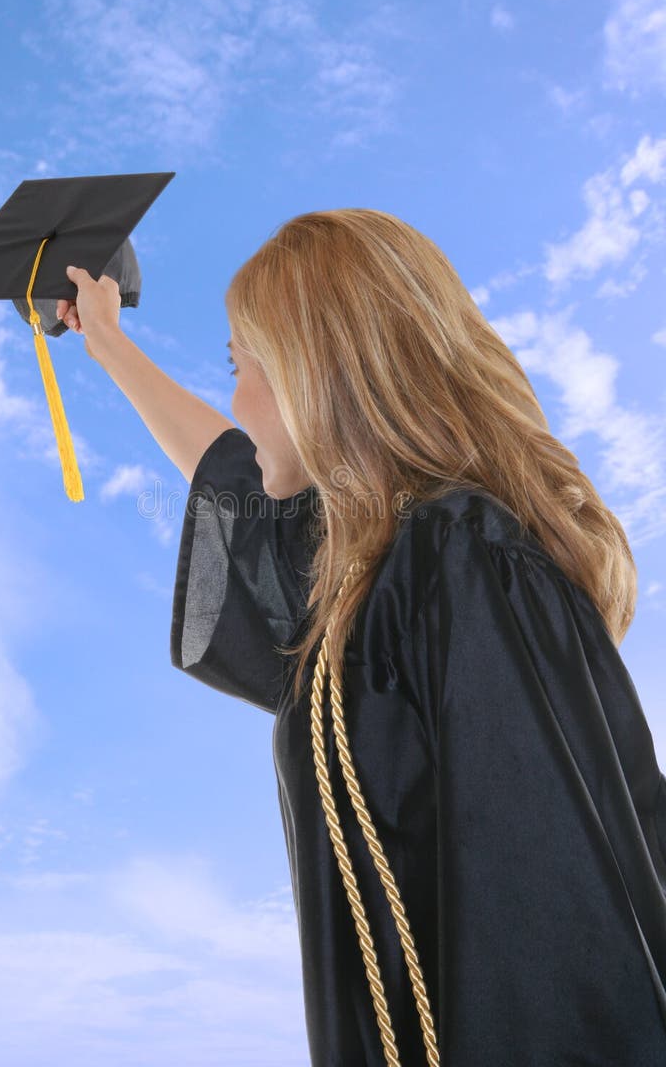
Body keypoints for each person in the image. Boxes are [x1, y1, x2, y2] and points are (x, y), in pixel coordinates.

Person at [58, 210, 666, 1066]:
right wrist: (109, 344)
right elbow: (231, 474)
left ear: (318, 371)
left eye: (242, 366)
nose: (236, 399)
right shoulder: (377, 574)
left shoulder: (462, 560)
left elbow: (555, 932)